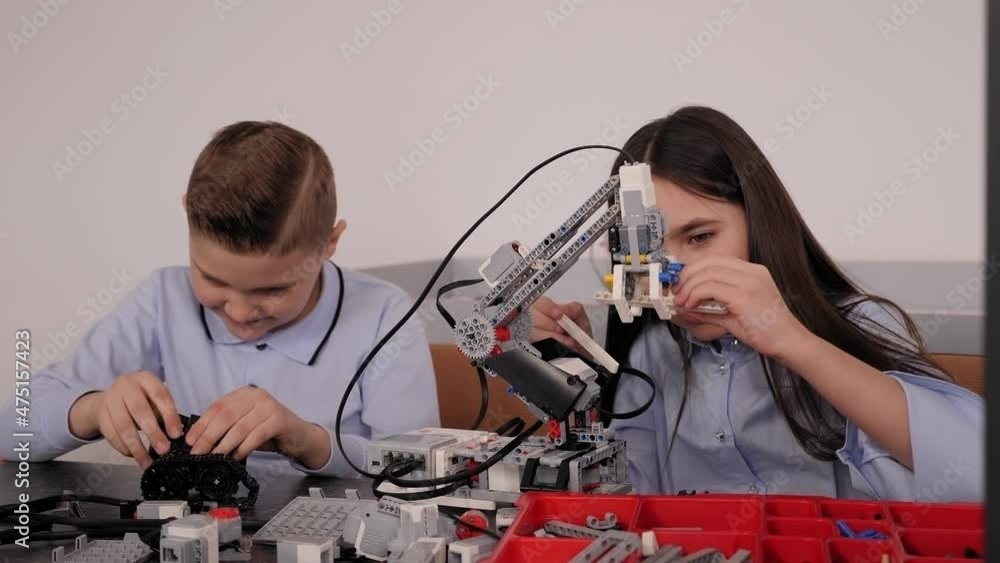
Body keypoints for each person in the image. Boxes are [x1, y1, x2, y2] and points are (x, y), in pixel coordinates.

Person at [531, 106, 983, 501]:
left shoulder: (861, 322)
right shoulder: (652, 354)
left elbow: (973, 473)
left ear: (758, 220)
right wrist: (572, 375)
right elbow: (622, 500)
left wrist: (794, 342)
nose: (676, 272)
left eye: (701, 237)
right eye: (651, 255)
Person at [1, 121, 440, 478]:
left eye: (273, 289)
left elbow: (426, 474)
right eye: (212, 279)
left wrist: (306, 440)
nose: (240, 312)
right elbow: (8, 428)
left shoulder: (386, 317)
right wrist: (93, 409)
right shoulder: (162, 300)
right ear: (187, 219)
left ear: (329, 244)